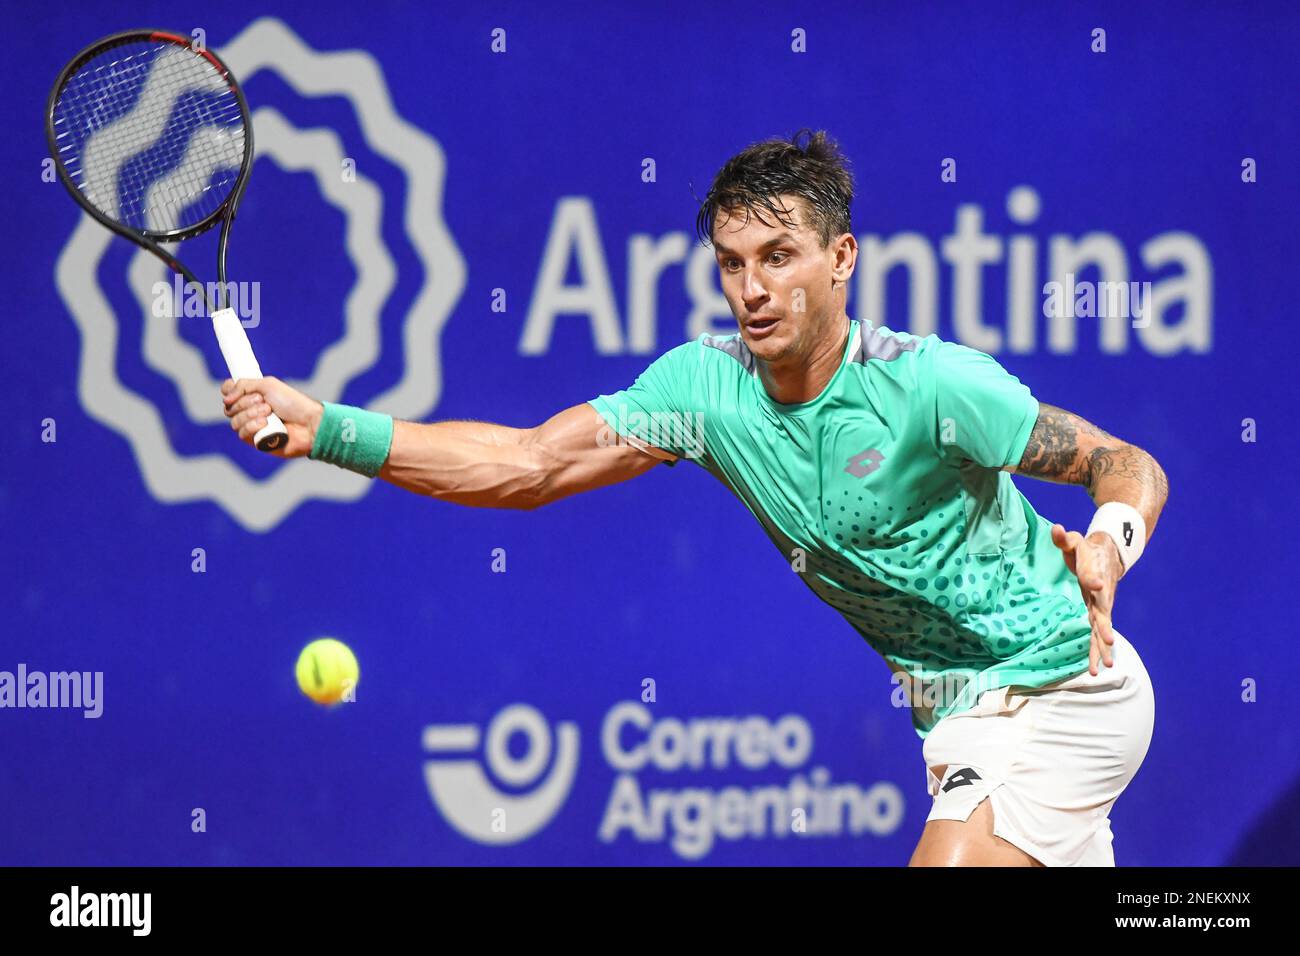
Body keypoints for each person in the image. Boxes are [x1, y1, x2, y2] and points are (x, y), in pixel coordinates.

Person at [221, 129, 1168, 867]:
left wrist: (1111, 540)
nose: (753, 289)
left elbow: (1123, 462)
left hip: (1064, 686)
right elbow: (531, 464)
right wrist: (329, 430)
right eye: (732, 262)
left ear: (841, 257)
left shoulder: (931, 384)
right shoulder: (703, 392)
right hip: (958, 715)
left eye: (779, 256)